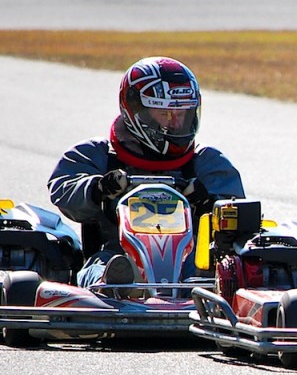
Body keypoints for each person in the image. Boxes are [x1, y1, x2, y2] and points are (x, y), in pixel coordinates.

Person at [48, 56, 245, 289]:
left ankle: (202, 290)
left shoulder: (207, 162)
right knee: (101, 265)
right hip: (118, 252)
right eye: (165, 114)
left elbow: (238, 217)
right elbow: (63, 188)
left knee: (209, 267)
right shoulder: (97, 155)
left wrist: (207, 204)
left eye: (183, 115)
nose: (176, 124)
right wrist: (98, 189)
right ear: (137, 112)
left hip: (187, 258)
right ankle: (114, 286)